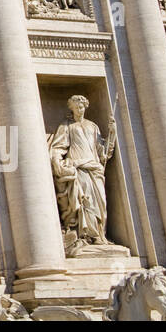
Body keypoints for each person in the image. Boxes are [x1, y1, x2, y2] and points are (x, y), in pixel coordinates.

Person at [49, 95, 116, 251]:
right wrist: (57, 162)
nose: (79, 110)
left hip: (94, 167)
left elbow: (103, 153)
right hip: (78, 167)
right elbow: (59, 147)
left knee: (100, 203)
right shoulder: (66, 126)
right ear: (71, 109)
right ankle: (85, 235)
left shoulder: (93, 126)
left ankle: (99, 235)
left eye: (81, 107)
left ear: (85, 107)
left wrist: (112, 134)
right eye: (76, 108)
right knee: (85, 202)